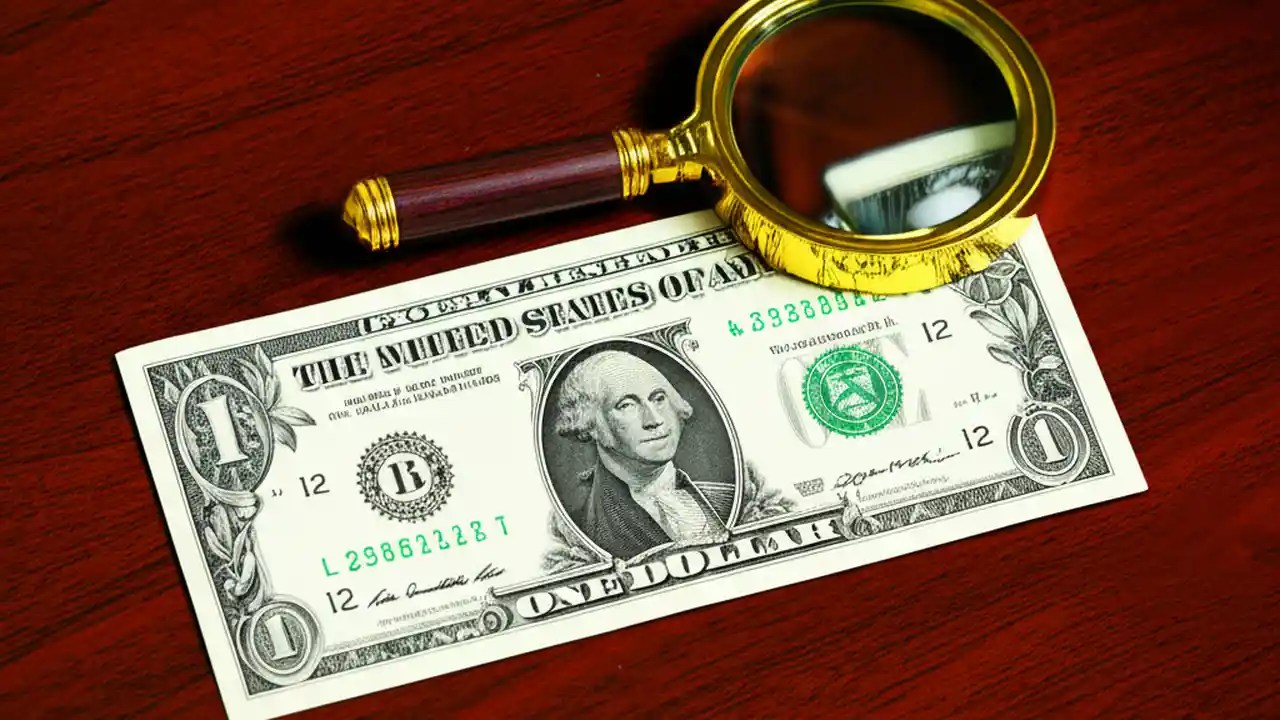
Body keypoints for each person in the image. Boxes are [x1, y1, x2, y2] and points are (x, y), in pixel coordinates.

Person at [554, 350, 731, 559]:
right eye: (627, 405)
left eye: (658, 399)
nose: (654, 420)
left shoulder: (730, 499)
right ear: (590, 424)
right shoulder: (581, 534)